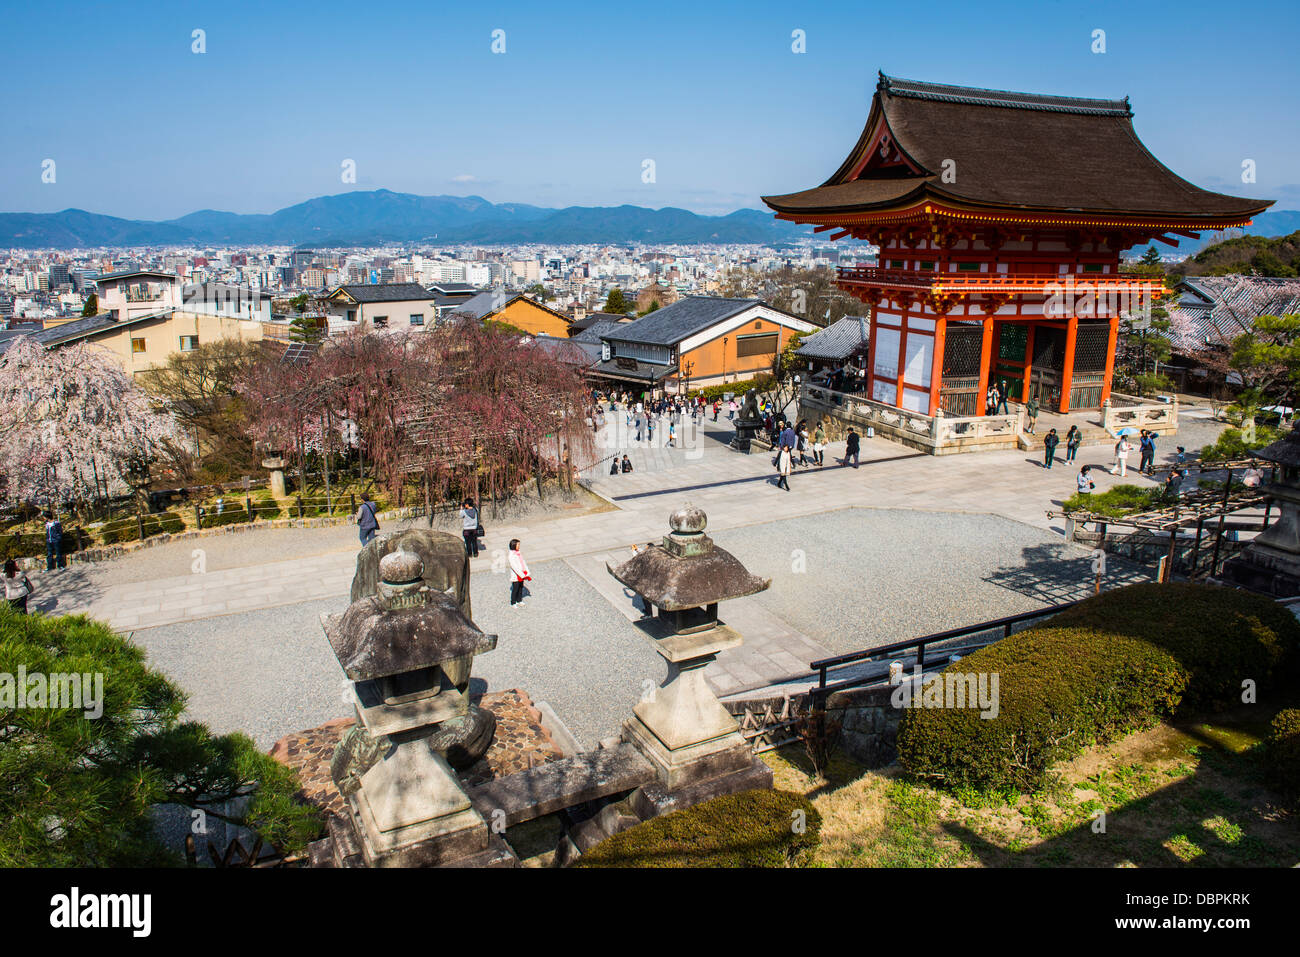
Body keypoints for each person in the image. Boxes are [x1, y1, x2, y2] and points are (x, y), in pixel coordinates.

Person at [508, 538, 531, 607]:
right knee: (515, 589)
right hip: (517, 575)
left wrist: (526, 571)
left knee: (520, 587)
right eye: (518, 545)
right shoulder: (511, 556)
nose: (519, 546)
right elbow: (514, 567)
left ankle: (519, 600)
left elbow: (523, 562)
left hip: (522, 573)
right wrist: (522, 574)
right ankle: (513, 602)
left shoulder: (518, 553)